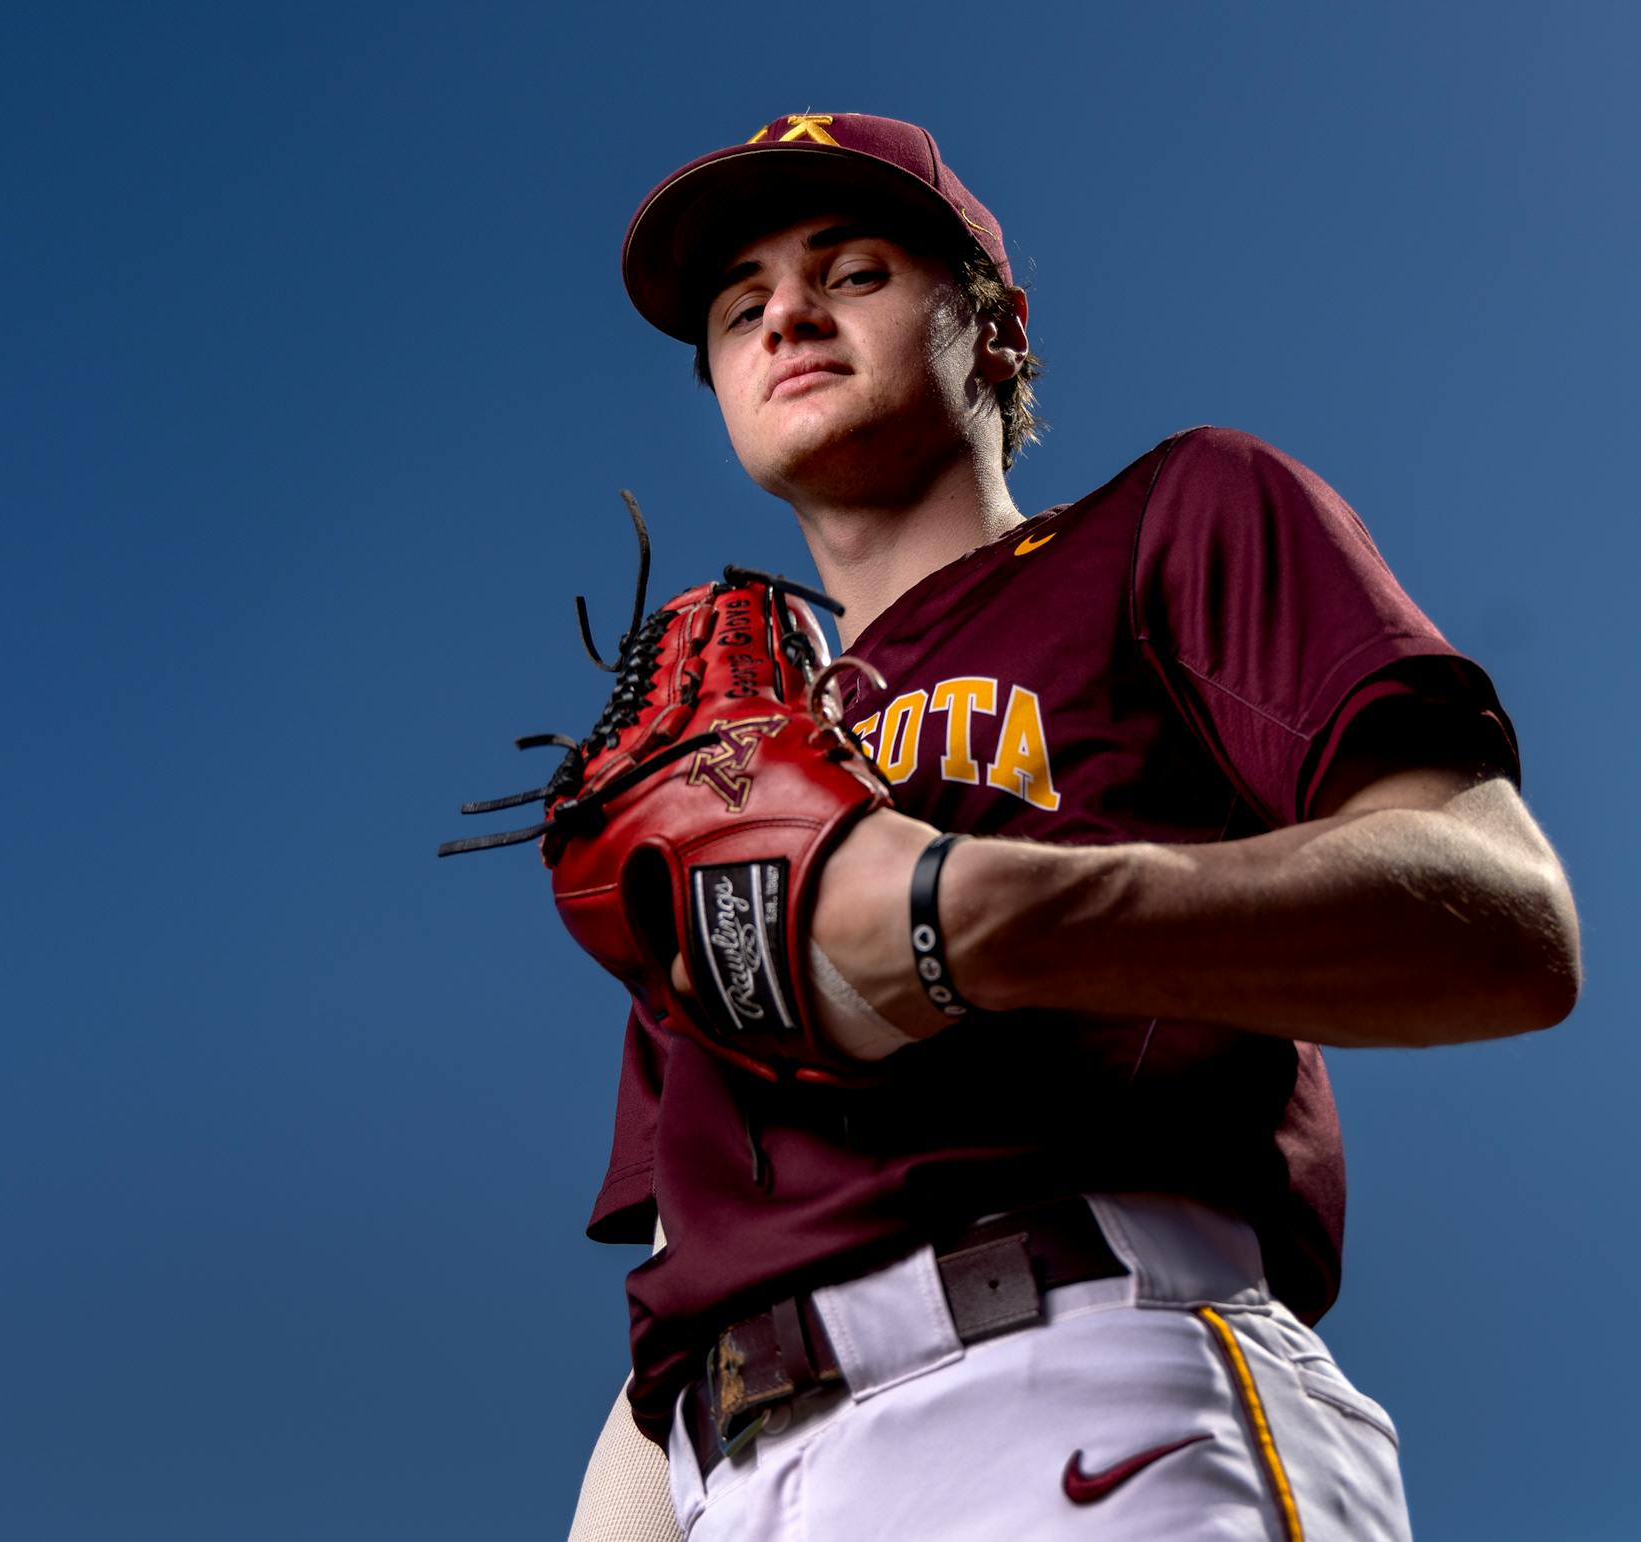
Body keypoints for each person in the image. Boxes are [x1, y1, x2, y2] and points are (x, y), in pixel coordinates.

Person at [564, 111, 1582, 1542]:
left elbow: (1505, 914)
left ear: (996, 332)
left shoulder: (1172, 520)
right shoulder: (707, 770)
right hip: (739, 1482)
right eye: (741, 306)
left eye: (851, 271)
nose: (785, 309)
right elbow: (689, 1288)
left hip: (1081, 1385)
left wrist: (970, 914)